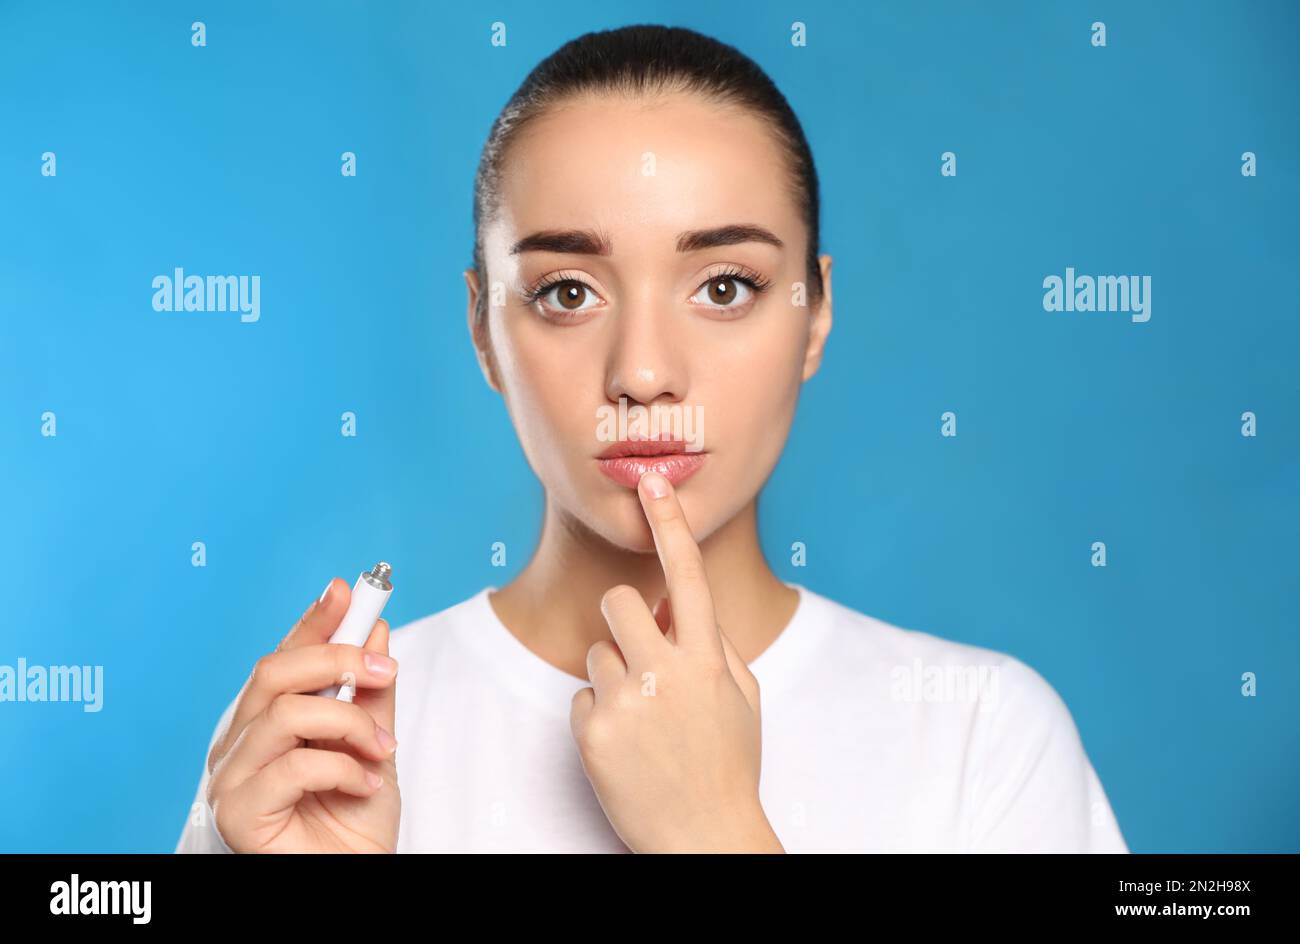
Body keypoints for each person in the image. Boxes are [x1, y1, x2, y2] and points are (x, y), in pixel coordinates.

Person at [176, 24, 1127, 853]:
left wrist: (714, 833)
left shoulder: (979, 734)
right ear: (482, 330)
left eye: (724, 286)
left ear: (816, 313)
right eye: (567, 292)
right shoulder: (318, 750)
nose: (641, 373)